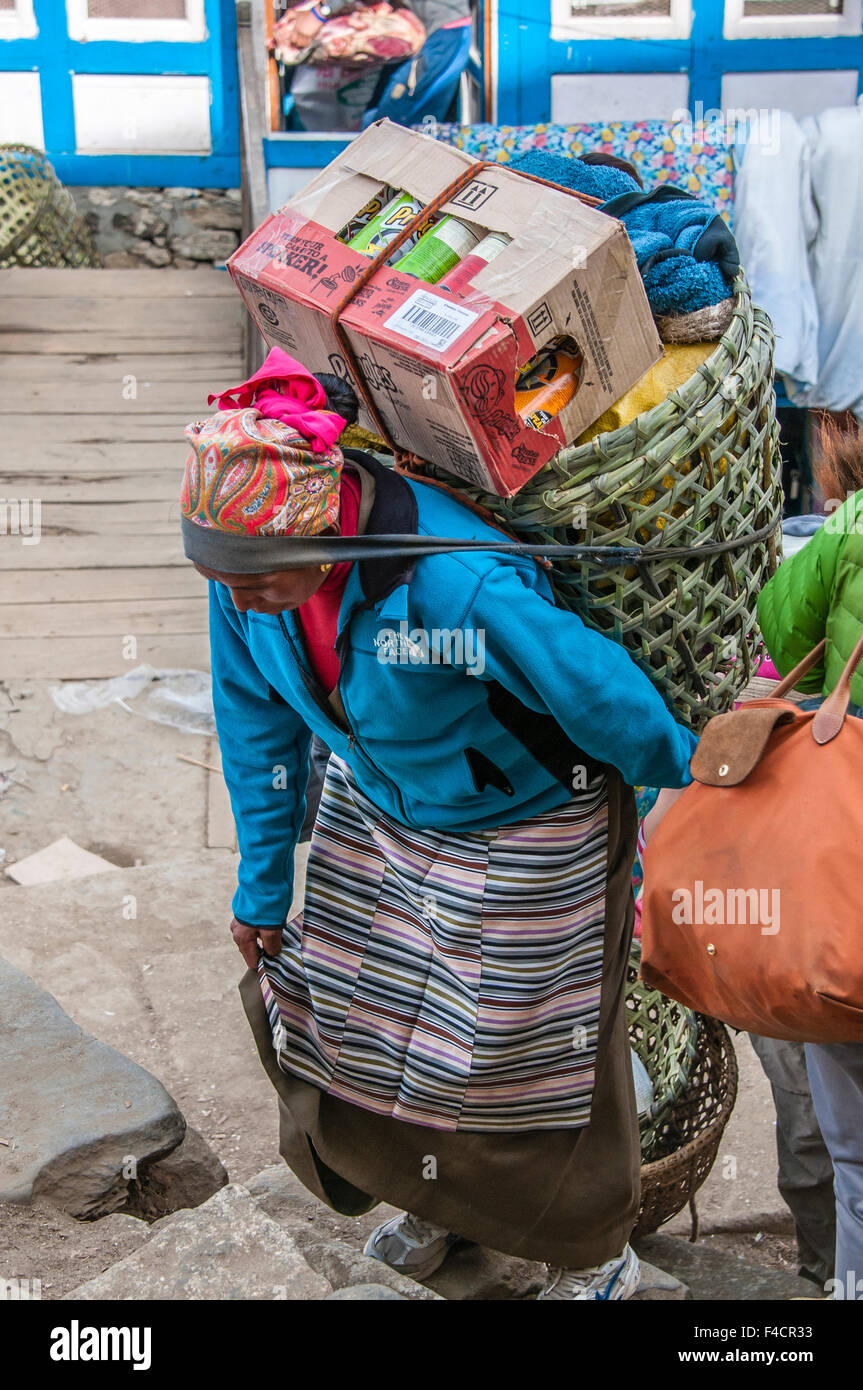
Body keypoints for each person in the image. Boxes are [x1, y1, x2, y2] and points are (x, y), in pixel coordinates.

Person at [180, 347, 697, 1300]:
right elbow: (253, 728)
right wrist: (261, 887)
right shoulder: (245, 574)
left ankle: (591, 1249)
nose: (236, 600)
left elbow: (598, 696)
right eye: (225, 583)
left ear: (320, 538)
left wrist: (694, 792)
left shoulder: (456, 583)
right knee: (371, 1023)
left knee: (529, 1051)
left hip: (529, 823)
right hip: (378, 813)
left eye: (254, 583)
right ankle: (440, 1202)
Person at [756, 419, 863, 1299]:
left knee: (845, 1118)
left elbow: (784, 634)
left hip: (847, 830)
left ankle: (839, 1278)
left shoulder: (847, 527)